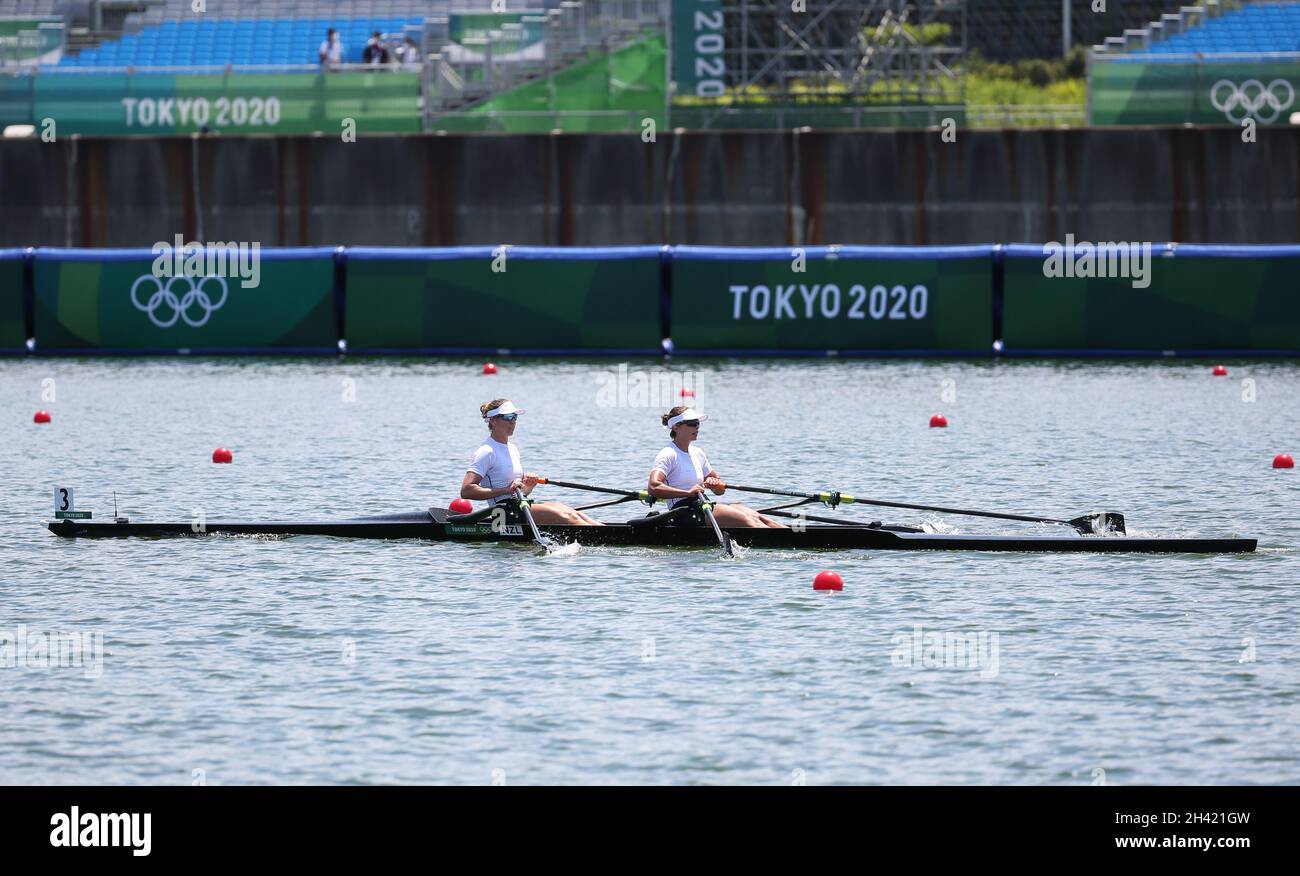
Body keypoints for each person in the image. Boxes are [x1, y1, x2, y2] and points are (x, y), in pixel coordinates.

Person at [460, 399, 603, 525]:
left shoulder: (513, 449)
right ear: (493, 420)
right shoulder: (486, 451)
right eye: (508, 417)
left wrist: (529, 485)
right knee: (567, 516)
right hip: (504, 512)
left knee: (571, 511)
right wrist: (506, 490)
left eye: (515, 417)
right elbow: (466, 490)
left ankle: (610, 532)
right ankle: (606, 538)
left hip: (519, 505)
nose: (513, 422)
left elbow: (521, 492)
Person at [647, 407, 786, 528]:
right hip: (682, 511)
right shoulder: (668, 454)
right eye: (691, 423)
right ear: (676, 427)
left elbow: (719, 491)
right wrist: (687, 493)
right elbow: (653, 487)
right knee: (749, 522)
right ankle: (787, 543)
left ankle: (798, 537)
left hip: (703, 504)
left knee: (759, 517)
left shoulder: (698, 453)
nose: (697, 427)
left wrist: (714, 484)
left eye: (697, 423)